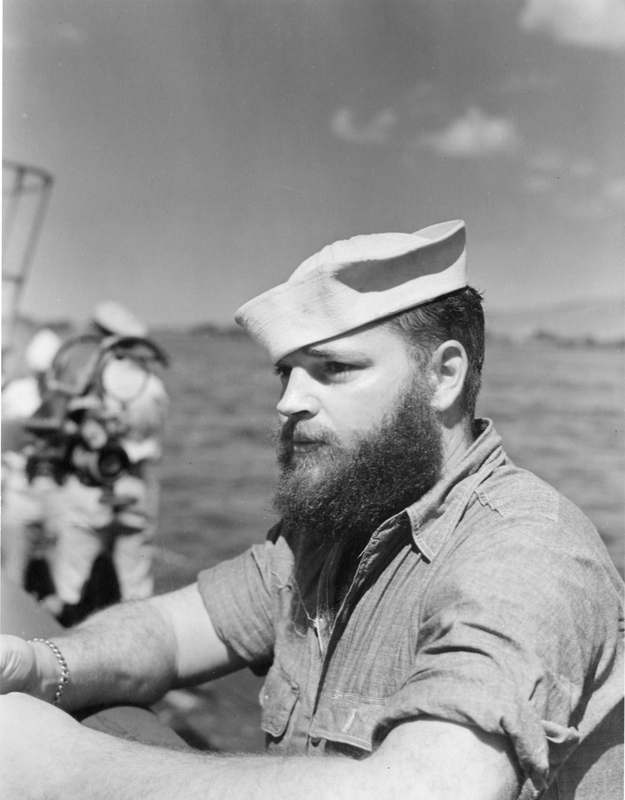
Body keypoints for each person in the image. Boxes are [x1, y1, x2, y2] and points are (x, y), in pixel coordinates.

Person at [0, 220, 622, 799]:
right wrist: (43, 666)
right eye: (287, 373)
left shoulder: (527, 550)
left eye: (333, 369)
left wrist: (66, 769)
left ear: (444, 376)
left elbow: (433, 787)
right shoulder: (331, 530)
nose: (289, 401)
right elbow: (174, 632)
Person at [41, 301, 171, 624]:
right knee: (136, 584)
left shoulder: (90, 378)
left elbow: (59, 424)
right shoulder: (153, 386)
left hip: (90, 485)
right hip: (136, 484)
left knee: (71, 580)